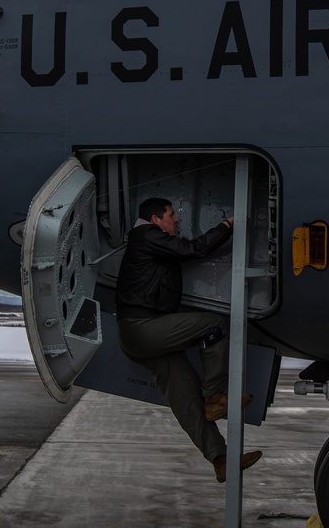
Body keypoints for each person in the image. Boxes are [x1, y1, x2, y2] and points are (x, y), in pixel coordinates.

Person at [116, 197, 261, 482]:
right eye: (171, 215)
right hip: (143, 328)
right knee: (213, 325)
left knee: (185, 399)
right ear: (156, 219)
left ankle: (221, 459)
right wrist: (228, 224)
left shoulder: (148, 239)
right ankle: (215, 397)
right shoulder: (147, 235)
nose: (177, 220)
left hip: (141, 336)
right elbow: (195, 249)